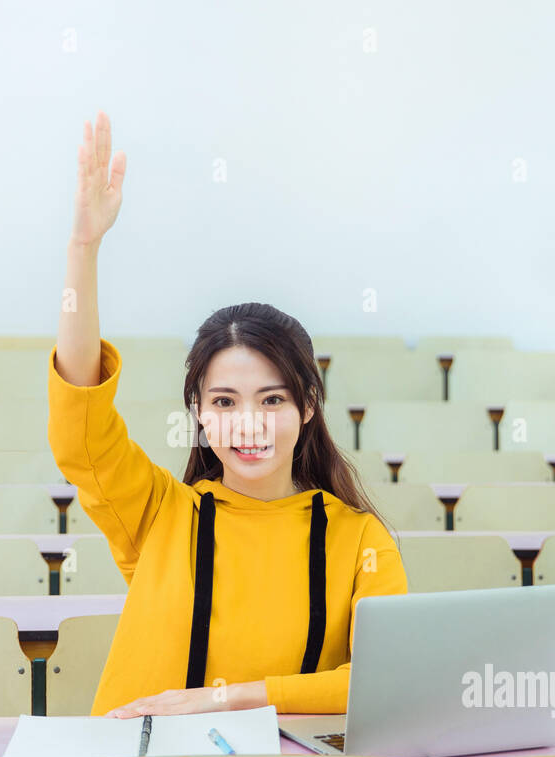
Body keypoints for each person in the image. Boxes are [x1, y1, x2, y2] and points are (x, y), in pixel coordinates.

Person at [50, 111, 407, 719]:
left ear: (309, 406)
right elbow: (78, 428)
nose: (248, 424)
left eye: (272, 401)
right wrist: (84, 247)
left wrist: (222, 700)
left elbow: (387, 681)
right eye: (224, 402)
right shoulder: (158, 516)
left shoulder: (359, 539)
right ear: (197, 413)